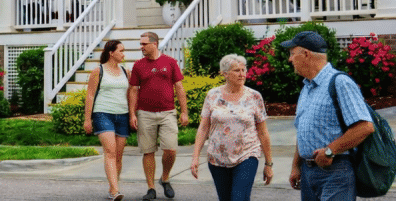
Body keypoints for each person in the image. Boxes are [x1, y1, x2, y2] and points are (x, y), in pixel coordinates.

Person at [283, 31, 374, 201]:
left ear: (306, 54)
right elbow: (304, 130)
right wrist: (296, 166)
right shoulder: (307, 88)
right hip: (308, 172)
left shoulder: (340, 82)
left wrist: (330, 151)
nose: (290, 59)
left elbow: (365, 127)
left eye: (292, 54)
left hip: (335, 171)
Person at [190, 54, 274, 201]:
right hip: (217, 158)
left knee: (239, 198)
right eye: (237, 70)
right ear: (225, 74)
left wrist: (268, 163)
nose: (242, 74)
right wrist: (195, 157)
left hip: (247, 155)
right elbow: (203, 128)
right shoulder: (212, 95)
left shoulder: (254, 96)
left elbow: (263, 131)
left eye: (243, 70)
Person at [129, 31, 189, 201]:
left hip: (167, 112)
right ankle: (151, 188)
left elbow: (179, 87)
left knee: (170, 149)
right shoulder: (138, 65)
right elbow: (133, 90)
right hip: (145, 113)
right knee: (148, 151)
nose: (141, 47)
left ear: (154, 44)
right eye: (140, 44)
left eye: (144, 44)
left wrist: (184, 112)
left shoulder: (170, 62)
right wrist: (132, 113)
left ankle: (164, 178)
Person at [84, 40, 131, 201]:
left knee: (118, 155)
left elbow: (131, 93)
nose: (124, 54)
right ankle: (115, 190)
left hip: (122, 115)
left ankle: (112, 188)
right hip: (103, 113)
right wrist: (87, 119)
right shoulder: (99, 71)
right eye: (121, 51)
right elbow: (90, 95)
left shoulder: (126, 71)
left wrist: (132, 115)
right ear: (111, 53)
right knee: (110, 152)